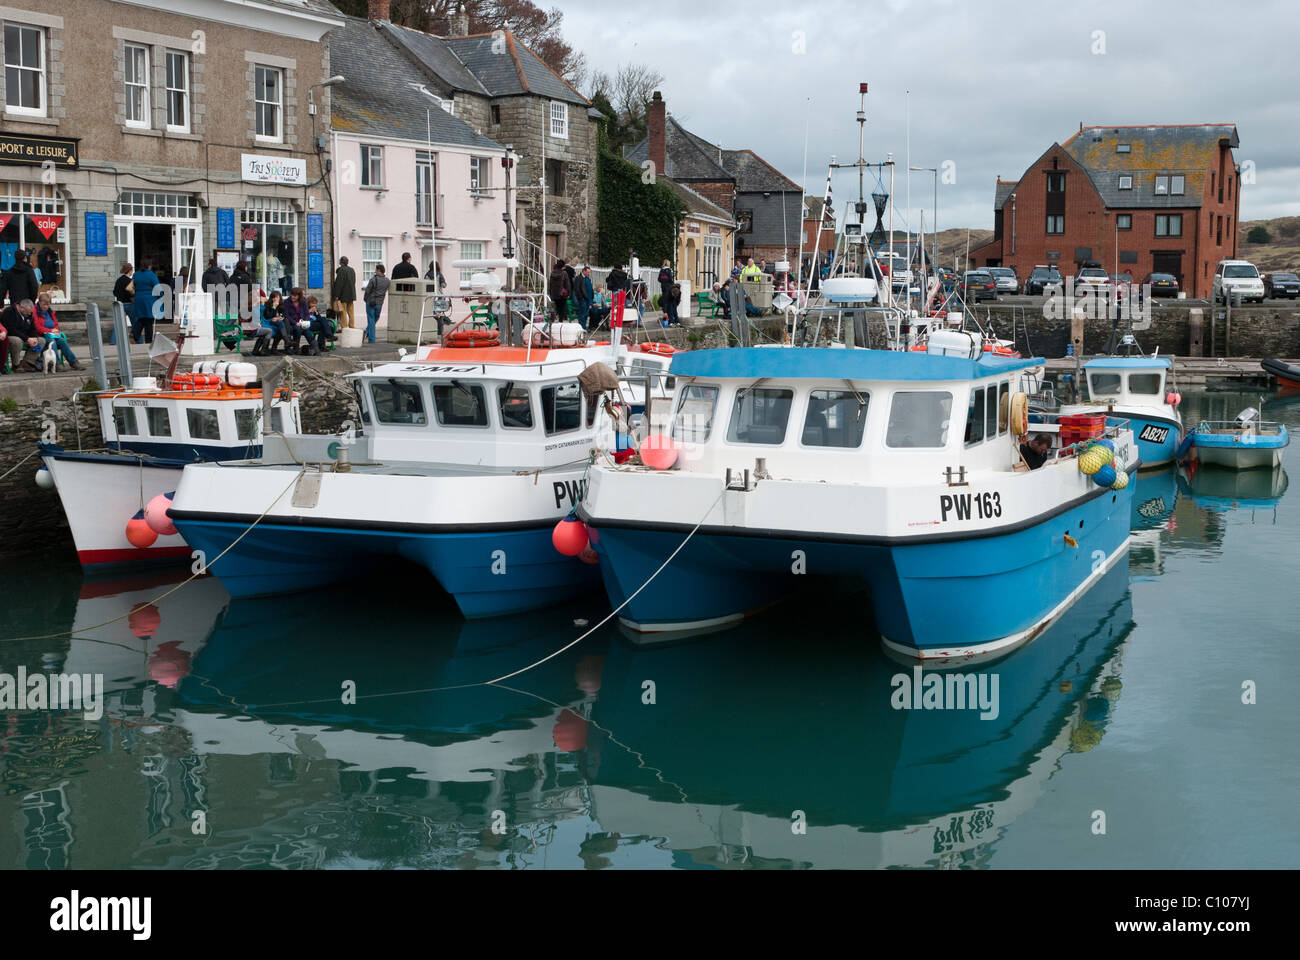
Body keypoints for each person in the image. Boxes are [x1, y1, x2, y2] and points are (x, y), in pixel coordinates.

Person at [32, 291, 79, 369]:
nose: (46, 307)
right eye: (44, 304)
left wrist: (56, 330)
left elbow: (56, 324)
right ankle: (56, 363)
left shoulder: (50, 312)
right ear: (39, 302)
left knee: (62, 341)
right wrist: (50, 331)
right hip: (40, 336)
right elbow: (37, 327)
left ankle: (73, 362)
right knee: (52, 342)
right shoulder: (35, 312)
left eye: (48, 304)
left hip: (51, 335)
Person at [1, 298, 40, 372]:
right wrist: (27, 339)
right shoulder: (9, 312)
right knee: (17, 341)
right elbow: (11, 329)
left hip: (25, 337)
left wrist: (34, 337)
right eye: (27, 312)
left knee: (41, 340)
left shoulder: (29, 313)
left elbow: (33, 328)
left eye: (30, 312)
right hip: (10, 335)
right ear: (21, 308)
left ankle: (27, 363)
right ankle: (16, 365)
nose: (29, 314)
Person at [131, 260, 160, 343]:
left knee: (141, 318)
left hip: (138, 299)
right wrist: (161, 297)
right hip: (149, 300)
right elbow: (157, 288)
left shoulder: (136, 274)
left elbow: (133, 285)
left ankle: (135, 334)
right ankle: (148, 340)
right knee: (149, 320)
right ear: (149, 266)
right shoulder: (152, 275)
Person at [252, 290, 287, 355]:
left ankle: (258, 350)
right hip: (258, 325)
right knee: (272, 330)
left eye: (262, 297)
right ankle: (264, 350)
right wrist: (273, 308)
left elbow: (265, 318)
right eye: (261, 297)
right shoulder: (257, 305)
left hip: (264, 323)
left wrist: (273, 319)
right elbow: (261, 317)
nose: (263, 298)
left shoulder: (263, 305)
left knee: (279, 328)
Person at [362, 264, 389, 344]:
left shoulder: (373, 279)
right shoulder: (387, 281)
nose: (375, 271)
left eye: (376, 269)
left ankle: (371, 340)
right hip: (380, 303)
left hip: (371, 302)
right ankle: (368, 331)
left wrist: (365, 299)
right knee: (375, 319)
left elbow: (367, 291)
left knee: (371, 320)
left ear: (378, 270)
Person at [110, 262, 135, 346]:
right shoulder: (129, 281)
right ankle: (138, 340)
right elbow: (131, 293)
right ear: (130, 271)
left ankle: (113, 341)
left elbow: (114, 292)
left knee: (118, 323)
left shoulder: (118, 280)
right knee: (135, 323)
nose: (132, 272)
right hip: (129, 304)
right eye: (132, 270)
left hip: (120, 304)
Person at [283, 287, 311, 353]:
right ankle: (296, 347)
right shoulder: (287, 302)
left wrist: (305, 321)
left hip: (302, 322)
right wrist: (295, 322)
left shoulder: (303, 301)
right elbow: (286, 315)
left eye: (295, 296)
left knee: (307, 331)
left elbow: (307, 313)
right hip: (291, 323)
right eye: (292, 295)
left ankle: (315, 347)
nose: (292, 297)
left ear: (299, 296)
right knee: (298, 329)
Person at [332, 255, 357, 329]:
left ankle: (345, 327)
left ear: (340, 262)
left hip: (343, 295)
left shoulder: (341, 271)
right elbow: (354, 281)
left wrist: (336, 295)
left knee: (343, 312)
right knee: (351, 312)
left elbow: (339, 284)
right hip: (351, 294)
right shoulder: (352, 270)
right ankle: (352, 326)